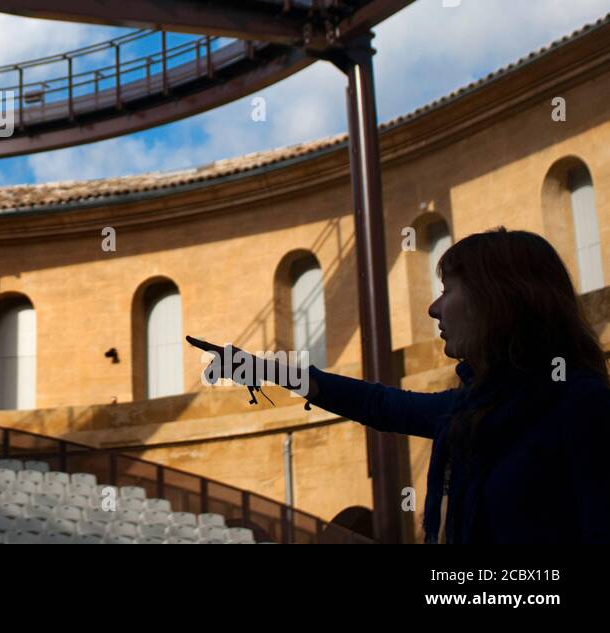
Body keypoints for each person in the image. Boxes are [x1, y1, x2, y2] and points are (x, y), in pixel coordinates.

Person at [193, 227, 610, 543]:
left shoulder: (581, 404)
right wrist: (268, 370)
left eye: (447, 291)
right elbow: (380, 404)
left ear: (498, 298)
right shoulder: (472, 408)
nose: (433, 308)